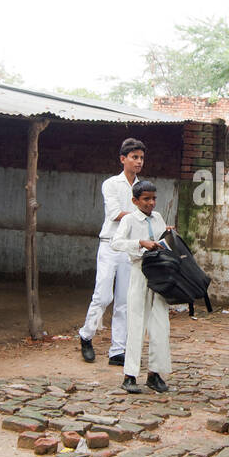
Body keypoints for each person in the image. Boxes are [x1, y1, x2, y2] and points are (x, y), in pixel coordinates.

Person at [78, 138, 146, 365]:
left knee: (125, 300)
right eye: (134, 157)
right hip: (110, 244)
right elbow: (115, 213)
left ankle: (117, 350)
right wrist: (142, 215)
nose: (138, 161)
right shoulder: (111, 184)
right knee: (103, 296)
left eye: (141, 158)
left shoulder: (143, 186)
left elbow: (147, 217)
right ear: (123, 159)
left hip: (131, 247)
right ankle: (86, 335)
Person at [110, 180, 172, 395]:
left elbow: (163, 240)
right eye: (146, 199)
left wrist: (166, 237)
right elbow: (115, 243)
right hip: (139, 273)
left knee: (160, 324)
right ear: (135, 200)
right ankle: (130, 375)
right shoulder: (129, 220)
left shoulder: (158, 218)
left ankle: (155, 374)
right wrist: (140, 243)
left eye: (154, 198)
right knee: (136, 323)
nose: (151, 203)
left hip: (160, 276)